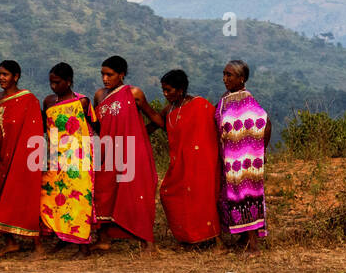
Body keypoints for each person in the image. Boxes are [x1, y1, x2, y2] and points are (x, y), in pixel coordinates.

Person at [91, 55, 161, 254]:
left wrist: (144, 134)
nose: (105, 79)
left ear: (121, 74)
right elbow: (97, 125)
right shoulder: (99, 96)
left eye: (110, 75)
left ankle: (148, 242)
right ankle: (103, 239)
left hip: (132, 151)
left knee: (137, 193)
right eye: (103, 74)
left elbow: (153, 117)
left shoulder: (134, 93)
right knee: (103, 193)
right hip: (108, 152)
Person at [155, 68, 221, 247]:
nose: (165, 94)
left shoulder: (200, 105)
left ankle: (214, 240)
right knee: (168, 194)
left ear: (181, 89)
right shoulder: (170, 109)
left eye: (169, 90)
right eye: (164, 90)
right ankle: (188, 236)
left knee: (203, 199)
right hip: (179, 165)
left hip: (201, 164)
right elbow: (156, 123)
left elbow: (213, 131)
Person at [0, 59, 45, 257]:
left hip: (23, 158)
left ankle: (38, 246)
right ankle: (10, 242)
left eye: (5, 74)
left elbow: (35, 130)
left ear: (16, 77)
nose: (1, 78)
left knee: (27, 199)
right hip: (3, 156)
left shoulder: (28, 98)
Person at [216, 59, 271, 254]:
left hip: (245, 161)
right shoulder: (226, 99)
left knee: (245, 195)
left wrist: (259, 151)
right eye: (224, 74)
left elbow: (265, 121)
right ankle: (243, 238)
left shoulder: (246, 100)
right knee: (233, 196)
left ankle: (253, 245)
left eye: (229, 75)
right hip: (230, 160)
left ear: (241, 78)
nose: (224, 79)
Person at [40, 62, 96, 251]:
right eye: (51, 82)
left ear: (68, 82)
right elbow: (43, 129)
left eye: (57, 82)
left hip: (78, 158)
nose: (53, 86)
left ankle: (84, 247)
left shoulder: (82, 102)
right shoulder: (48, 101)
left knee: (79, 200)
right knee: (52, 197)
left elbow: (93, 128)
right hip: (55, 158)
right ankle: (62, 236)